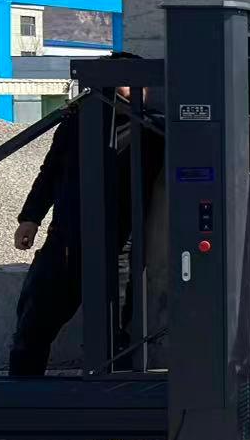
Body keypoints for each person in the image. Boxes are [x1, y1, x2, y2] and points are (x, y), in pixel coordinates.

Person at [9, 70, 159, 375]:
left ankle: (111, 393)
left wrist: (246, 125)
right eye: (130, 83)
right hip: (66, 239)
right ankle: (21, 392)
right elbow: (50, 171)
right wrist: (30, 218)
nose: (140, 90)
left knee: (115, 331)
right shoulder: (77, 123)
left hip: (120, 244)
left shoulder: (152, 129)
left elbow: (202, 133)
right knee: (34, 320)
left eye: (144, 84)